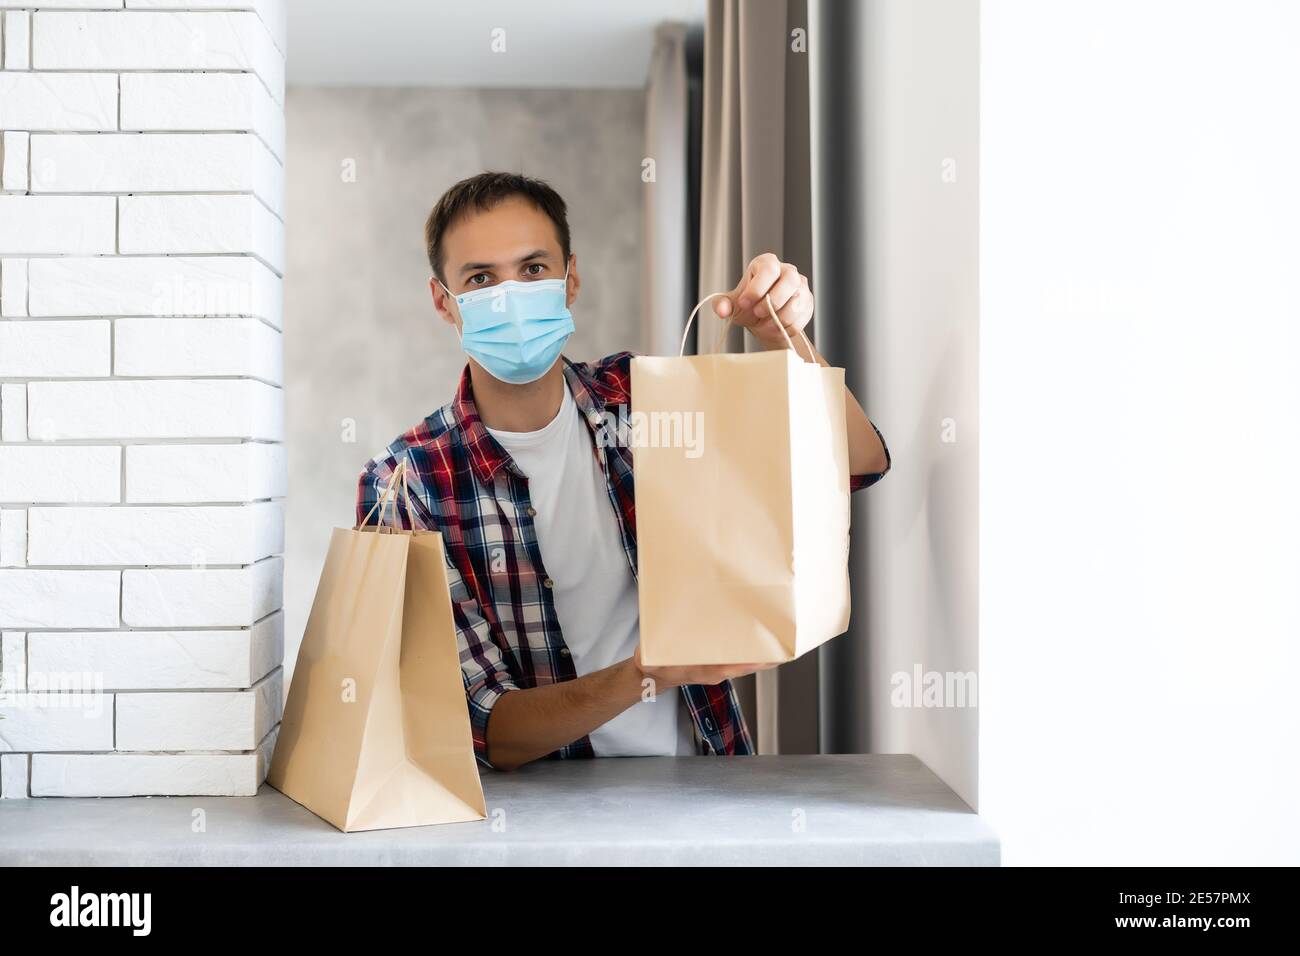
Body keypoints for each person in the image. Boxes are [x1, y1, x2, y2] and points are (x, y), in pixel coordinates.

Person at [357, 172, 891, 771]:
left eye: (533, 270)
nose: (511, 297)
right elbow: (476, 727)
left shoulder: (640, 400)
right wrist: (646, 673)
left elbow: (852, 465)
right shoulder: (408, 484)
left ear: (571, 280)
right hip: (536, 827)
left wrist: (785, 337)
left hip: (711, 783)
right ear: (443, 301)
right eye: (481, 279)